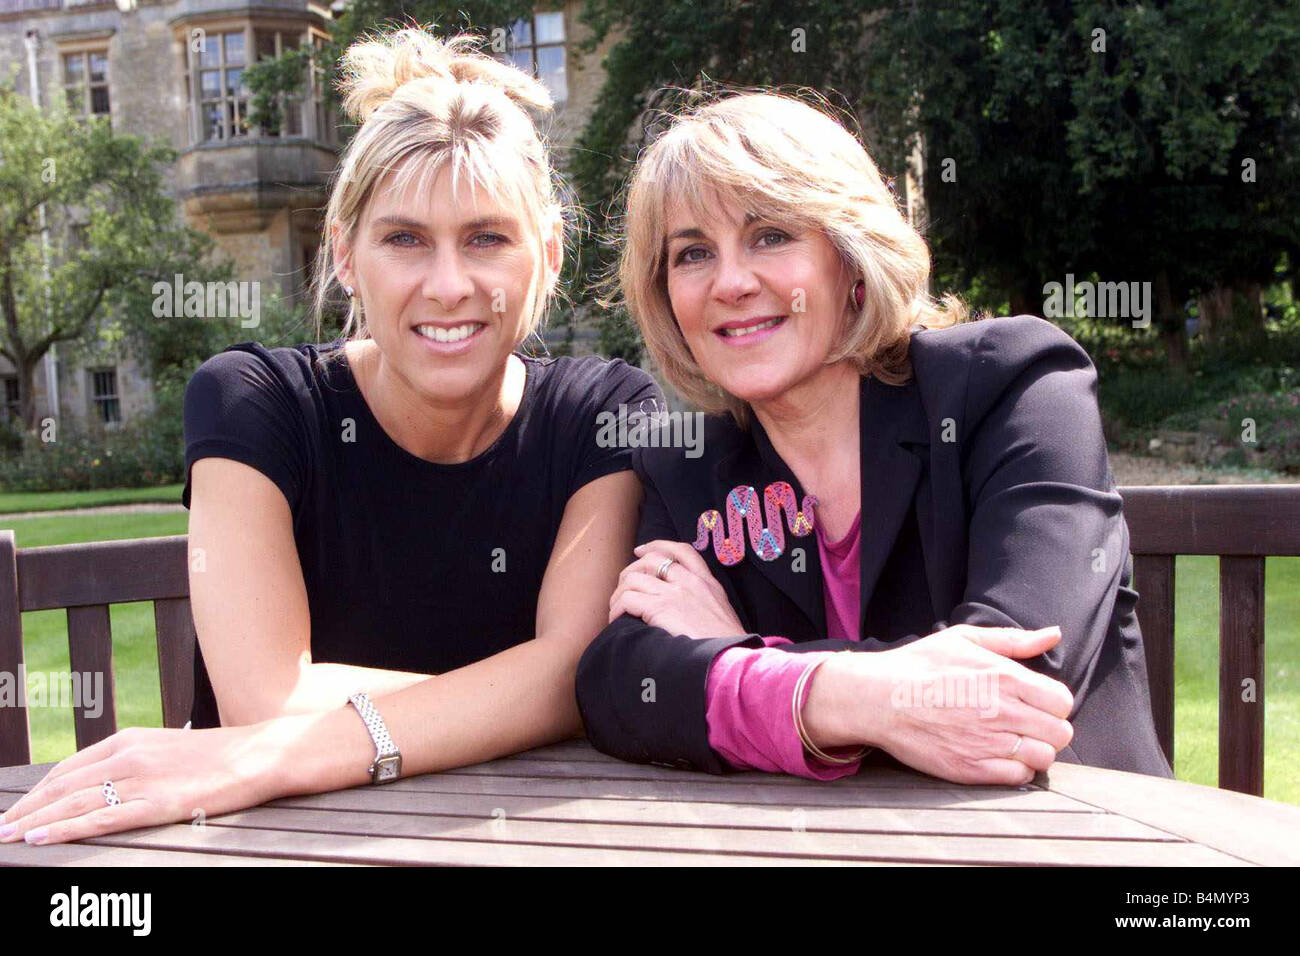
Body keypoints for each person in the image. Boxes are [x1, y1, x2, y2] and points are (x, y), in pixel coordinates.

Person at [0, 27, 661, 847]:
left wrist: (556, 682)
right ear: (345, 256)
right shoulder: (254, 403)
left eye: (487, 238)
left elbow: (576, 674)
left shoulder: (604, 414)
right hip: (277, 847)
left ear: (550, 255)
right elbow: (264, 704)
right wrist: (533, 694)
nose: (449, 286)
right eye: (404, 239)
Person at [575, 91, 1172, 785]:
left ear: (851, 259)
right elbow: (620, 687)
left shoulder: (1013, 387)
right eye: (692, 254)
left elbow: (1011, 675)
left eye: (771, 235)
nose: (731, 282)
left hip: (1073, 839)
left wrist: (737, 661)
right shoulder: (689, 467)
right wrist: (858, 694)